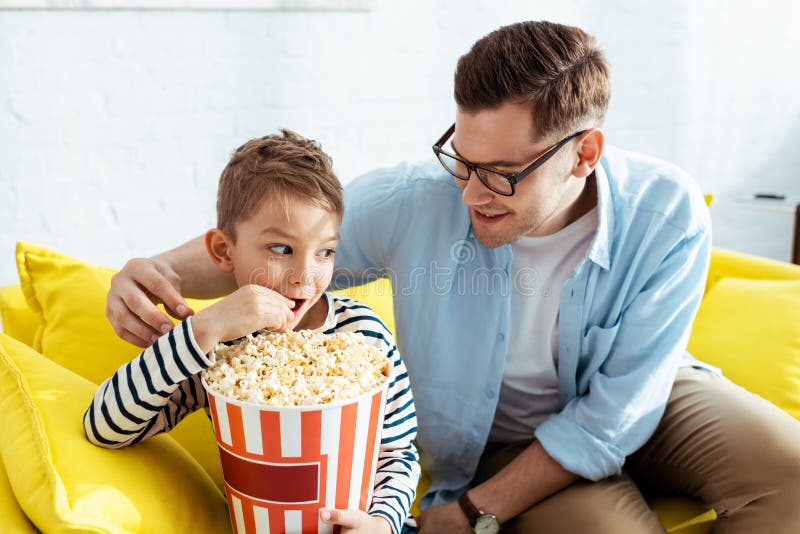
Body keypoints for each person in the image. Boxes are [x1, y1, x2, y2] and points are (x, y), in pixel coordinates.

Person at [104, 21, 800, 534]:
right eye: (461, 160)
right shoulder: (415, 198)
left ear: (584, 153)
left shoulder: (668, 211)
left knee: (789, 468)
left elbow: (618, 411)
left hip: (644, 392)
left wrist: (472, 515)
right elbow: (282, 244)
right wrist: (156, 272)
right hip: (500, 434)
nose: (471, 194)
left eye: (500, 175)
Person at [84, 130, 420, 534]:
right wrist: (201, 329)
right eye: (281, 249)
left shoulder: (365, 334)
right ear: (224, 251)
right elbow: (105, 426)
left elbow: (397, 453)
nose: (305, 276)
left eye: (325, 251)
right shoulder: (216, 349)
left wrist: (383, 523)